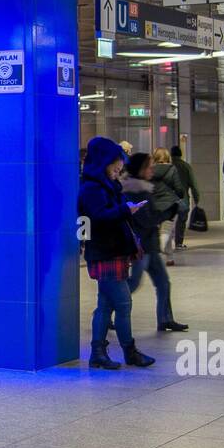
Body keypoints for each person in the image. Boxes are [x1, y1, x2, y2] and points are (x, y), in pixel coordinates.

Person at [79, 137, 148, 370]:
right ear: (103, 162)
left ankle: (98, 353)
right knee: (123, 303)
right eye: (116, 162)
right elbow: (98, 217)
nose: (119, 167)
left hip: (114, 251)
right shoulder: (91, 187)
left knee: (105, 305)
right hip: (104, 252)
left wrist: (126, 209)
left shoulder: (108, 184)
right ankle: (129, 351)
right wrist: (124, 209)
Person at [122, 154, 186, 340]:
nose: (152, 170)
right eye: (149, 167)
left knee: (163, 283)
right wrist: (169, 212)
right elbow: (146, 219)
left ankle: (165, 319)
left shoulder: (143, 189)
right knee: (132, 284)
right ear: (141, 169)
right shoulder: (136, 191)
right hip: (141, 246)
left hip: (149, 244)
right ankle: (104, 311)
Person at [149, 146, 186, 265]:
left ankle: (169, 258)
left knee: (165, 230)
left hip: (153, 204)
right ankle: (159, 249)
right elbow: (179, 188)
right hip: (169, 205)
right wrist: (179, 196)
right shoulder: (172, 169)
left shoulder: (149, 170)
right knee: (166, 230)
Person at [170, 145, 200, 251]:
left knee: (168, 221)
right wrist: (197, 199)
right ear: (180, 154)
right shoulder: (186, 166)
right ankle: (179, 243)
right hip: (183, 199)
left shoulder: (168, 166)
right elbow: (193, 184)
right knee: (181, 222)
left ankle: (167, 244)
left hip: (168, 199)